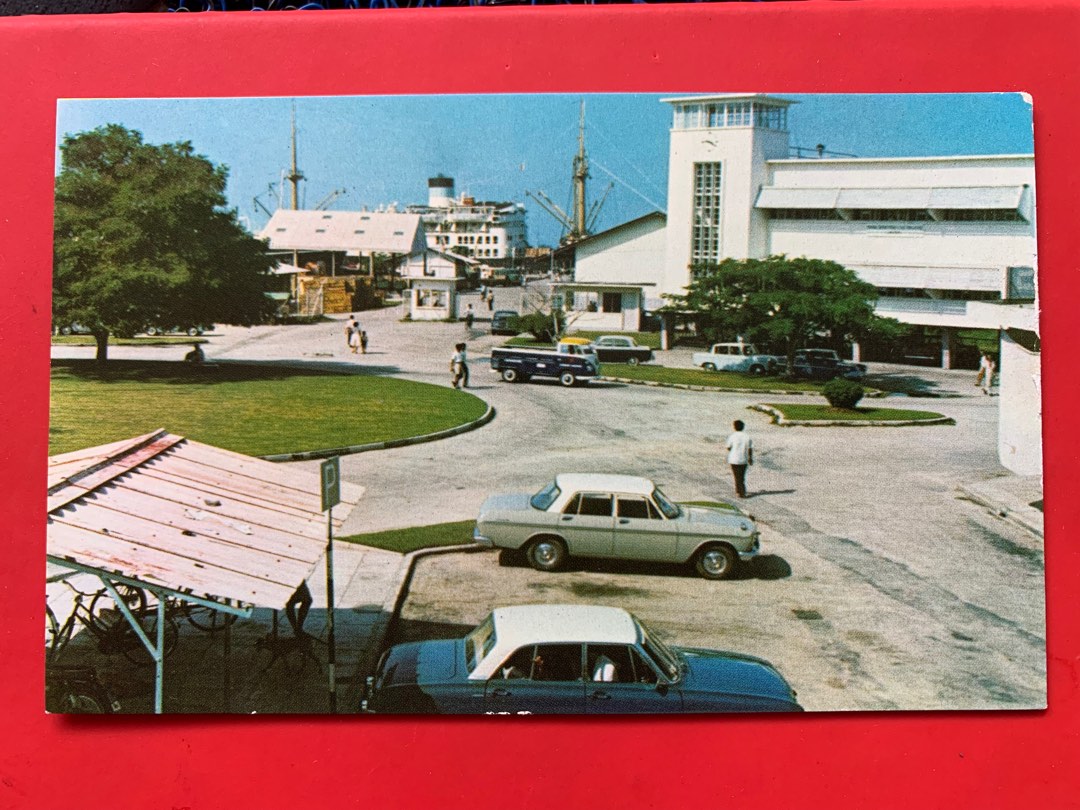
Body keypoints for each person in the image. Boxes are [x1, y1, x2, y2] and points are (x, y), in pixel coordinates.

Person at [725, 419, 753, 498]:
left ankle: (741, 492)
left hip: (733, 459)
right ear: (743, 427)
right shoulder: (747, 437)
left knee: (737, 476)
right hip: (743, 459)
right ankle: (739, 490)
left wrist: (733, 450)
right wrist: (750, 458)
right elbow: (750, 448)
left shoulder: (732, 436)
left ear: (734, 427)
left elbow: (728, 447)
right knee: (741, 476)